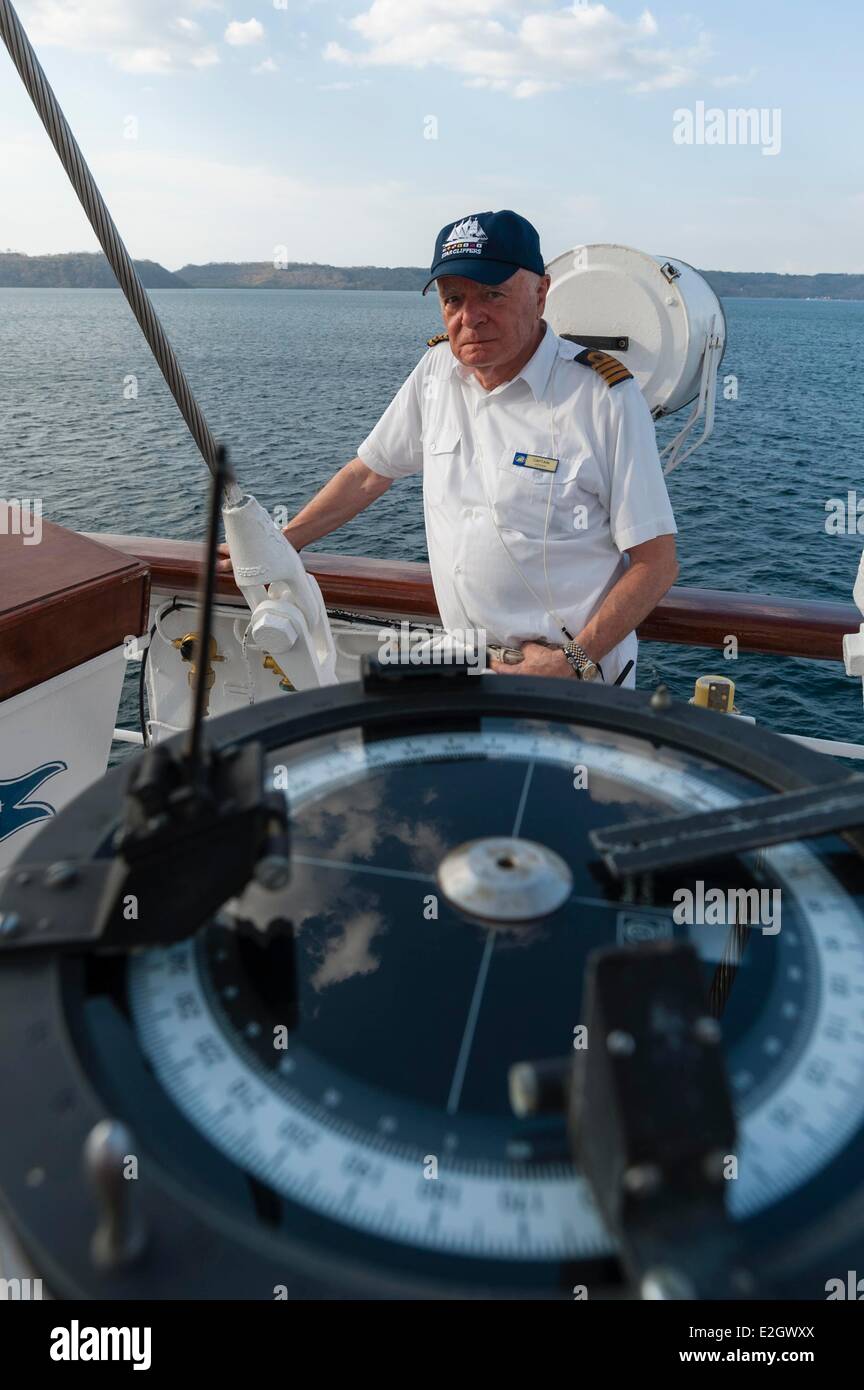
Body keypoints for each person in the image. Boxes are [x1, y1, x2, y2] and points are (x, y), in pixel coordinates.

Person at [219, 209, 678, 684]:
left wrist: (575, 660)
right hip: (467, 664)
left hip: (567, 676)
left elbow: (656, 563)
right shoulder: (437, 371)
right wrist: (280, 542)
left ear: (541, 292)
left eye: (492, 295)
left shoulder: (602, 398)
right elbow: (369, 472)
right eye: (453, 298)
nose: (469, 317)